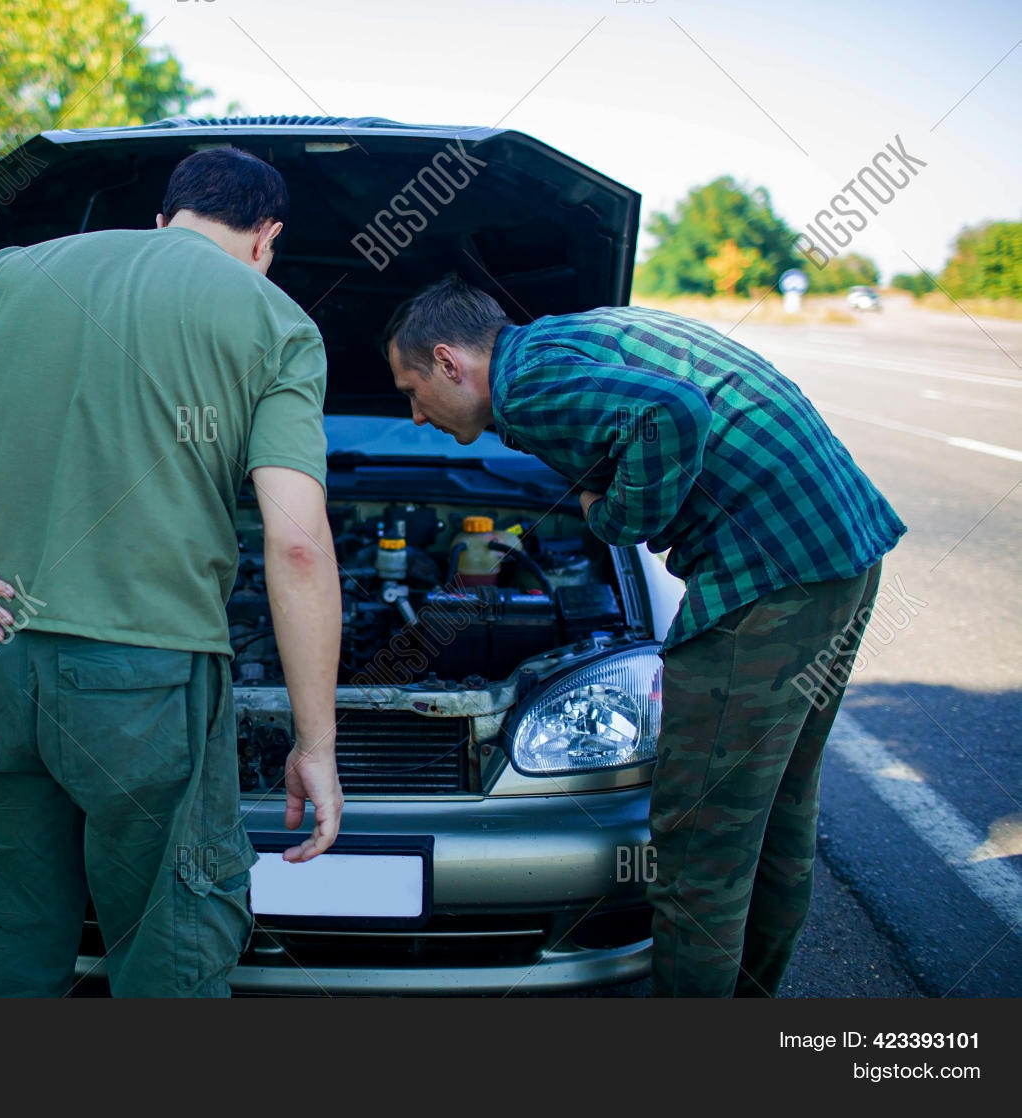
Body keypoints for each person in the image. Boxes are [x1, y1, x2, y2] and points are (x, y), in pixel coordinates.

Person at [0, 148, 344, 997]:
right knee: (168, 949)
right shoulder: (275, 322)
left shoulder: (15, 273)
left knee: (9, 951)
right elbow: (300, 544)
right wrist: (316, 743)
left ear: (166, 217)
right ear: (265, 238)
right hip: (143, 677)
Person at [380, 275, 905, 997]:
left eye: (411, 391)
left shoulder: (528, 387)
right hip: (833, 550)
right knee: (774, 813)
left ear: (449, 362)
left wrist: (616, 519)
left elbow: (671, 410)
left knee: (697, 848)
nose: (413, 416)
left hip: (774, 573)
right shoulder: (551, 346)